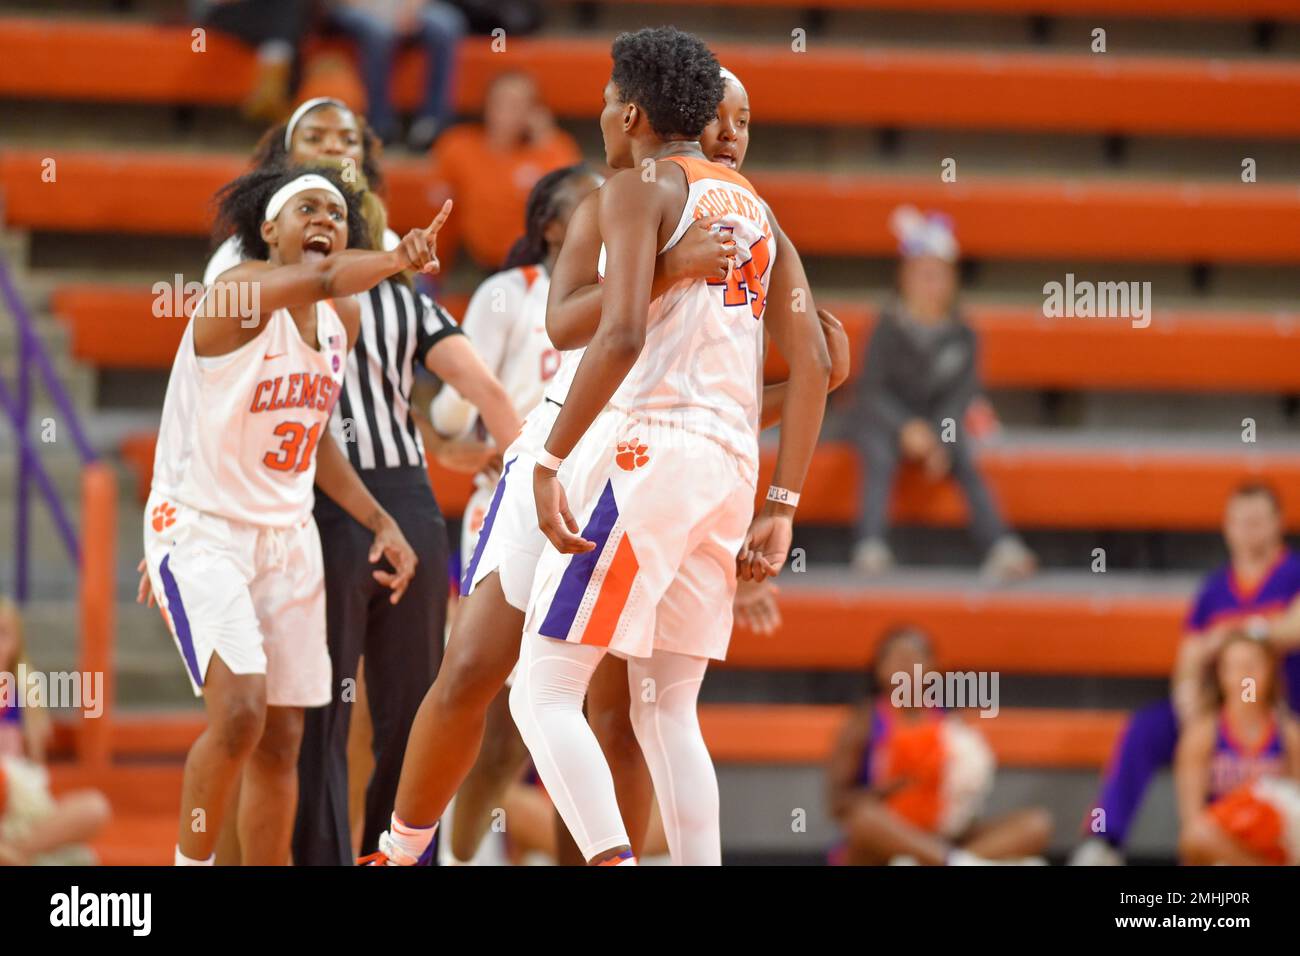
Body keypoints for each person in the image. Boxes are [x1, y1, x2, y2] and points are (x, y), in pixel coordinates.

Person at [364, 59, 847, 867]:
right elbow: (566, 327)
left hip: (625, 450)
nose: (731, 133)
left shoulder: (706, 204)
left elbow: (725, 368)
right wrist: (669, 269)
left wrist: (799, 409)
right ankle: (403, 847)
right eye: (721, 115)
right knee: (482, 671)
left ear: (635, 112)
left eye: (743, 119)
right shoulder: (608, 211)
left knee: (594, 703)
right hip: (601, 447)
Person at [509, 26, 830, 867]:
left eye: (611, 98)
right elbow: (820, 363)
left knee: (540, 691)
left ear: (634, 114)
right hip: (730, 469)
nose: (604, 111)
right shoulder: (759, 208)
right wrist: (783, 507)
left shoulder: (639, 186)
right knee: (666, 710)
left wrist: (548, 461)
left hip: (651, 447)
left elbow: (614, 339)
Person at [140, 164, 431, 866]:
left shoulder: (340, 322)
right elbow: (329, 279)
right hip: (202, 527)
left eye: (336, 213)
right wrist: (394, 259)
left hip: (288, 537)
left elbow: (315, 431)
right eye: (308, 208)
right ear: (269, 230)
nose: (325, 221)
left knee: (282, 742)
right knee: (238, 715)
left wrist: (376, 517)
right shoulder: (237, 292)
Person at [1071, 482, 1300, 865]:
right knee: (1145, 729)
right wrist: (1189, 700)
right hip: (1223, 707)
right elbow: (1189, 657)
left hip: (1286, 704)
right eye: (1241, 521)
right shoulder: (1214, 589)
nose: (1249, 530)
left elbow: (1293, 629)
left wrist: (1236, 633)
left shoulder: (1293, 574)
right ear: (1227, 527)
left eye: (1258, 520)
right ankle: (1103, 839)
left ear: (1278, 524)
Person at [851, 207, 1035, 581]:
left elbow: (960, 397)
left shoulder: (964, 334)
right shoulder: (887, 327)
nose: (931, 285)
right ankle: (869, 543)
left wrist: (940, 439)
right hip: (884, 421)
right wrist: (905, 428)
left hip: (938, 424)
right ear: (905, 278)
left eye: (939, 276)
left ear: (952, 281)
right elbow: (870, 390)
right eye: (922, 275)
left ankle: (1000, 545)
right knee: (877, 451)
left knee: (963, 450)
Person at [826, 626, 1052, 865]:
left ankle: (953, 860)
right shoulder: (864, 721)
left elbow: (968, 795)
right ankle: (954, 861)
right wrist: (889, 789)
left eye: (914, 659)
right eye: (897, 659)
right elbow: (837, 805)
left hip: (942, 835)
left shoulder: (951, 722)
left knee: (1036, 824)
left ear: (932, 667)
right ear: (879, 668)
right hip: (889, 837)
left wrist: (961, 785)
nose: (906, 668)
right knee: (863, 820)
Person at [428, 71, 582, 269]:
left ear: (533, 112)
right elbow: (438, 209)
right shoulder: (458, 146)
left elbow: (573, 195)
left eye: (518, 104)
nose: (506, 112)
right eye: (500, 102)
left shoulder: (550, 148)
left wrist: (546, 138)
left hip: (534, 263)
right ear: (486, 105)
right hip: (472, 260)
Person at [1175, 634, 1300, 864]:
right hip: (1223, 845)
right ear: (1222, 674)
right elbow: (1192, 828)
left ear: (1270, 671)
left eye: (1252, 665)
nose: (1246, 677)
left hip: (1273, 844)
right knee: (1197, 835)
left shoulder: (1289, 733)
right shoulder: (1202, 735)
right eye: (1236, 667)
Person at [326, 0, 468, 150]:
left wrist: (411, 8)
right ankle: (379, 126)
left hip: (400, 5)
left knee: (445, 25)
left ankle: (431, 125)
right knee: (379, 32)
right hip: (353, 6)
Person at [190, 0, 311, 124]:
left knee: (286, 12)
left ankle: (270, 93)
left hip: (268, 15)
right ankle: (271, 92)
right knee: (285, 11)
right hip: (220, 11)